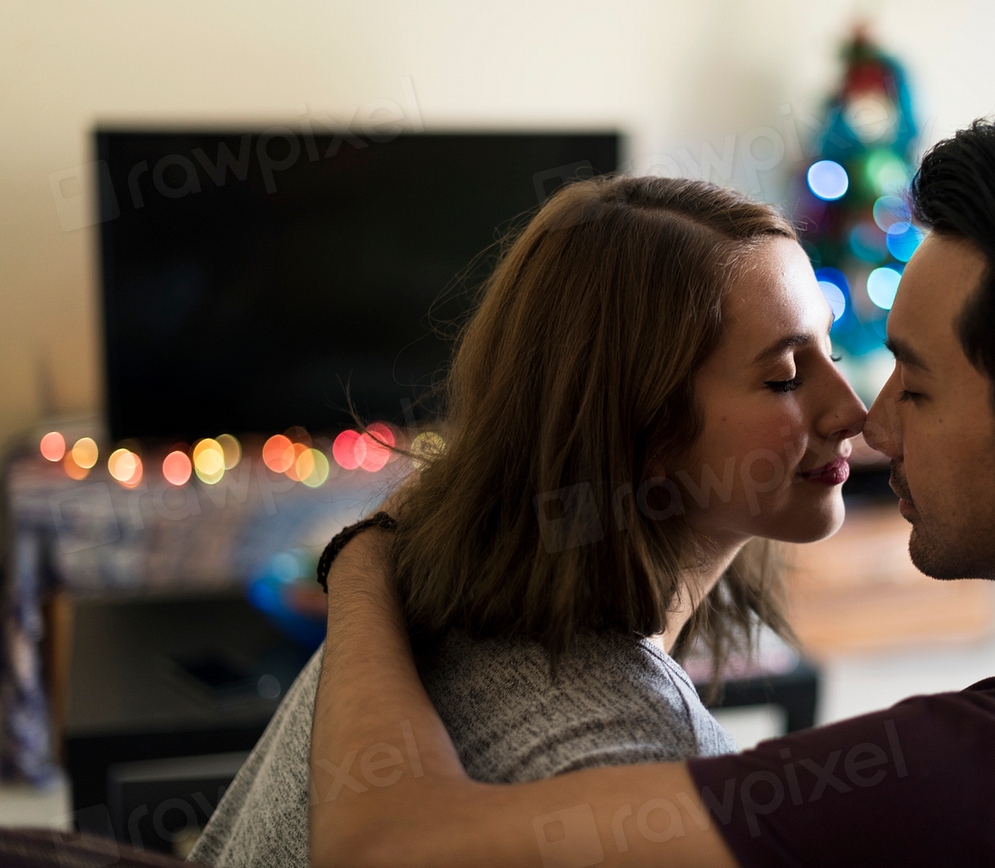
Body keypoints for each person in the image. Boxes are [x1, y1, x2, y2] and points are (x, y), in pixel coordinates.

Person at [307, 116, 995, 867]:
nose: (872, 426)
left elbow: (385, 846)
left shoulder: (970, 778)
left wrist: (359, 562)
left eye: (913, 384)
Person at [189, 176, 868, 867]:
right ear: (641, 425)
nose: (852, 410)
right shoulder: (641, 759)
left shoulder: (413, 609)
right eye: (785, 374)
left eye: (831, 351)